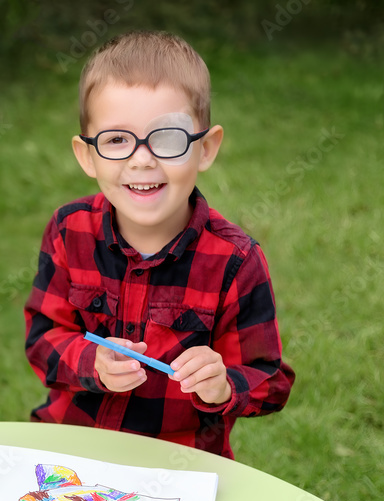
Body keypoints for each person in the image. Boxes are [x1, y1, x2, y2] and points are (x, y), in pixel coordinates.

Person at [23, 30, 294, 458]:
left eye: (167, 137)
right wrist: (90, 362)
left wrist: (224, 384)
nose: (142, 158)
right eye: (116, 140)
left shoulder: (235, 261)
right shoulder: (69, 229)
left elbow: (270, 380)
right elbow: (42, 338)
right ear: (86, 155)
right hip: (71, 447)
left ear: (205, 149)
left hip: (175, 467)